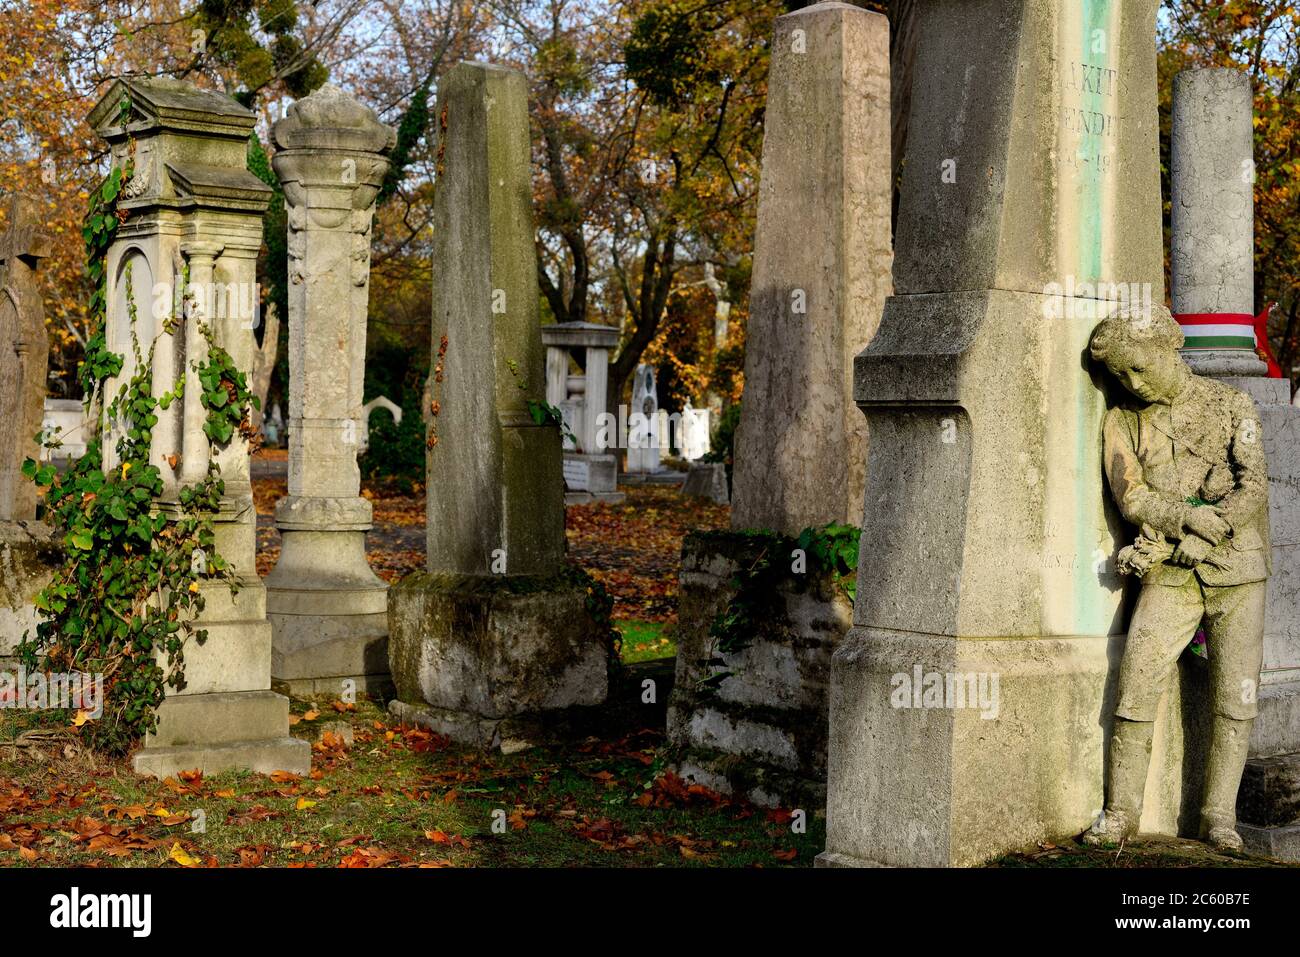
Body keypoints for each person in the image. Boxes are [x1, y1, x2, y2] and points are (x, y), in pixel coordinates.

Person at [1085, 310, 1269, 851]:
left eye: (1140, 368)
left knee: (1235, 696)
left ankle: (1219, 816)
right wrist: (1185, 519)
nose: (1134, 384)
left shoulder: (1232, 404)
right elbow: (1132, 495)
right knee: (1137, 682)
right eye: (1123, 377)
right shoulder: (1123, 421)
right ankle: (1121, 811)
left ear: (1170, 348)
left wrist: (1214, 529)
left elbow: (1253, 484)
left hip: (1238, 571)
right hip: (1169, 571)